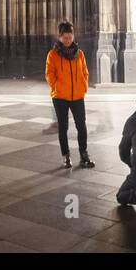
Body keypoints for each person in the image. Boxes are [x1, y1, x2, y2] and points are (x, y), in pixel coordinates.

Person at [45, 21, 93, 169]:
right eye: (65, 37)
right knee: (63, 127)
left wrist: (83, 86)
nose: (68, 40)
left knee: (81, 126)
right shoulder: (53, 55)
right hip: (60, 97)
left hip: (77, 96)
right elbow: (49, 74)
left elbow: (85, 72)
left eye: (70, 37)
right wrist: (57, 87)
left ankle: (84, 155)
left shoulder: (79, 54)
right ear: (60, 37)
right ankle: (66, 156)